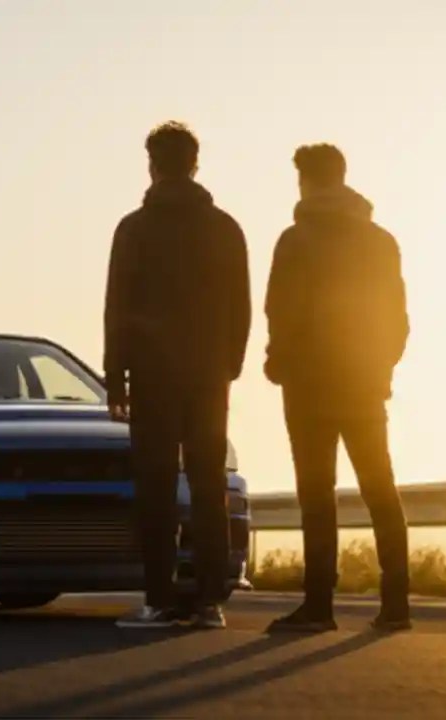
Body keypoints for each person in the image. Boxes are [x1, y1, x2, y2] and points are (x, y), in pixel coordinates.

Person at [103, 121, 252, 629]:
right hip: (210, 375)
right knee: (209, 483)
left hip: (151, 374)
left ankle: (160, 597)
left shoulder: (135, 228)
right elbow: (242, 307)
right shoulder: (225, 227)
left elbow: (117, 306)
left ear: (152, 165)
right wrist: (229, 364)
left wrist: (114, 378)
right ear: (194, 165)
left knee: (157, 486)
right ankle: (210, 602)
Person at [263, 143, 412, 632]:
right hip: (363, 383)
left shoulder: (294, 240)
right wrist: (380, 370)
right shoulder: (380, 241)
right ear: (343, 178)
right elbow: (397, 320)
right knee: (380, 490)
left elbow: (279, 311)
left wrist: (277, 362)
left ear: (306, 182)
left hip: (307, 388)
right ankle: (395, 606)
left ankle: (319, 607)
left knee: (316, 496)